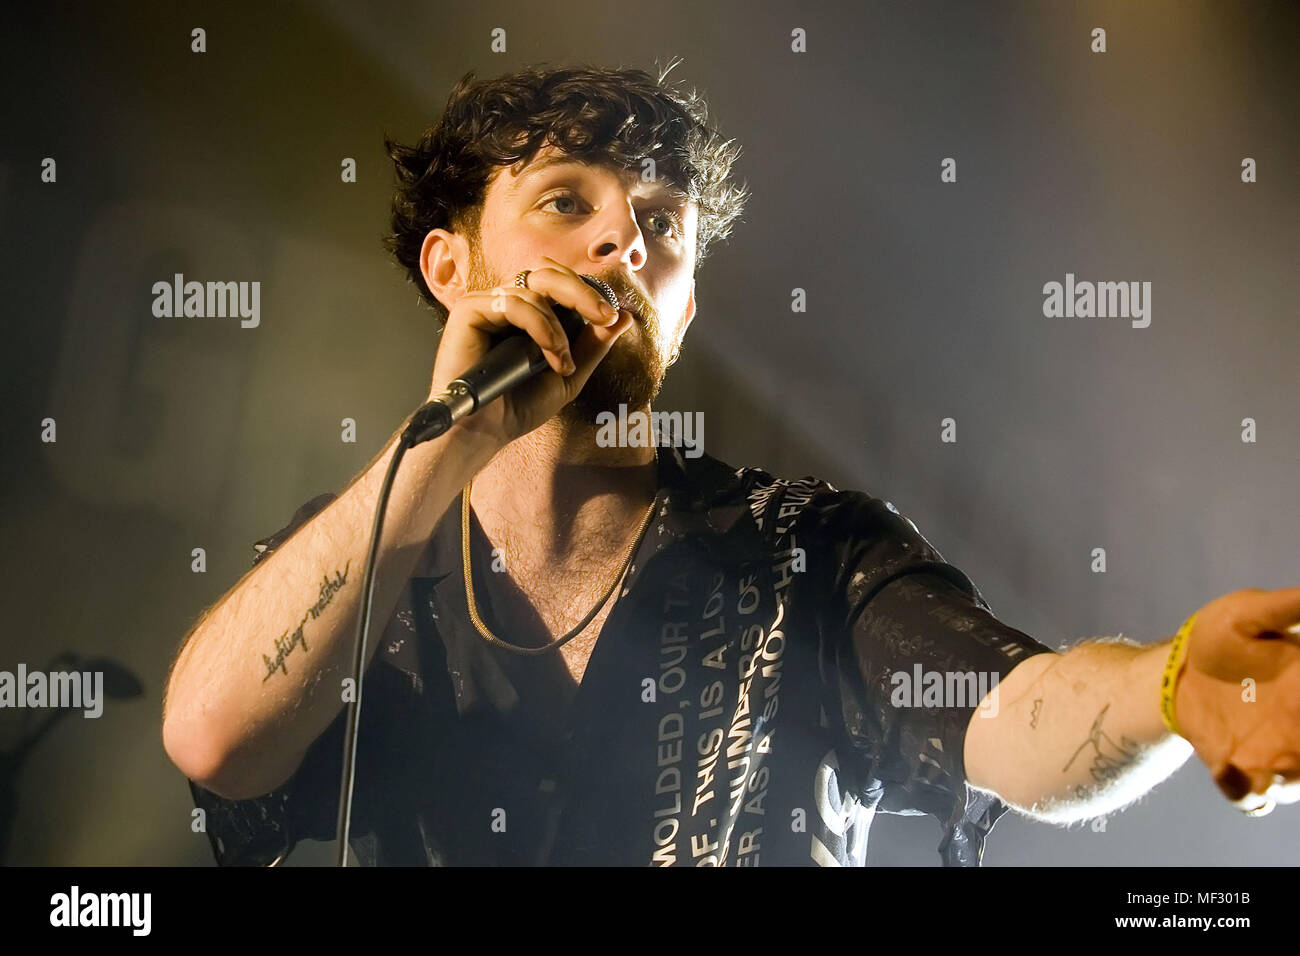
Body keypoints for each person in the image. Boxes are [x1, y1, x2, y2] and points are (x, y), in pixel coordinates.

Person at [161, 63, 1300, 867]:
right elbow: (214, 738)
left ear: (685, 303)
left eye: (661, 226)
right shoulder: (371, 555)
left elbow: (1018, 716)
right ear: (450, 266)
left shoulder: (805, 550)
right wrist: (449, 441)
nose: (623, 244)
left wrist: (1168, 688)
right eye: (568, 203)